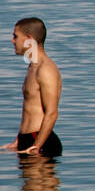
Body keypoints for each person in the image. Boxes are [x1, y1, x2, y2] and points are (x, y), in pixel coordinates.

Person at [9, 17, 64, 156]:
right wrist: (18, 139)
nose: (12, 41)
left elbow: (51, 113)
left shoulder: (46, 70)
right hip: (27, 140)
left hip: (40, 142)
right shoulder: (32, 67)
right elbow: (30, 107)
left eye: (16, 37)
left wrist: (37, 146)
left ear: (29, 39)